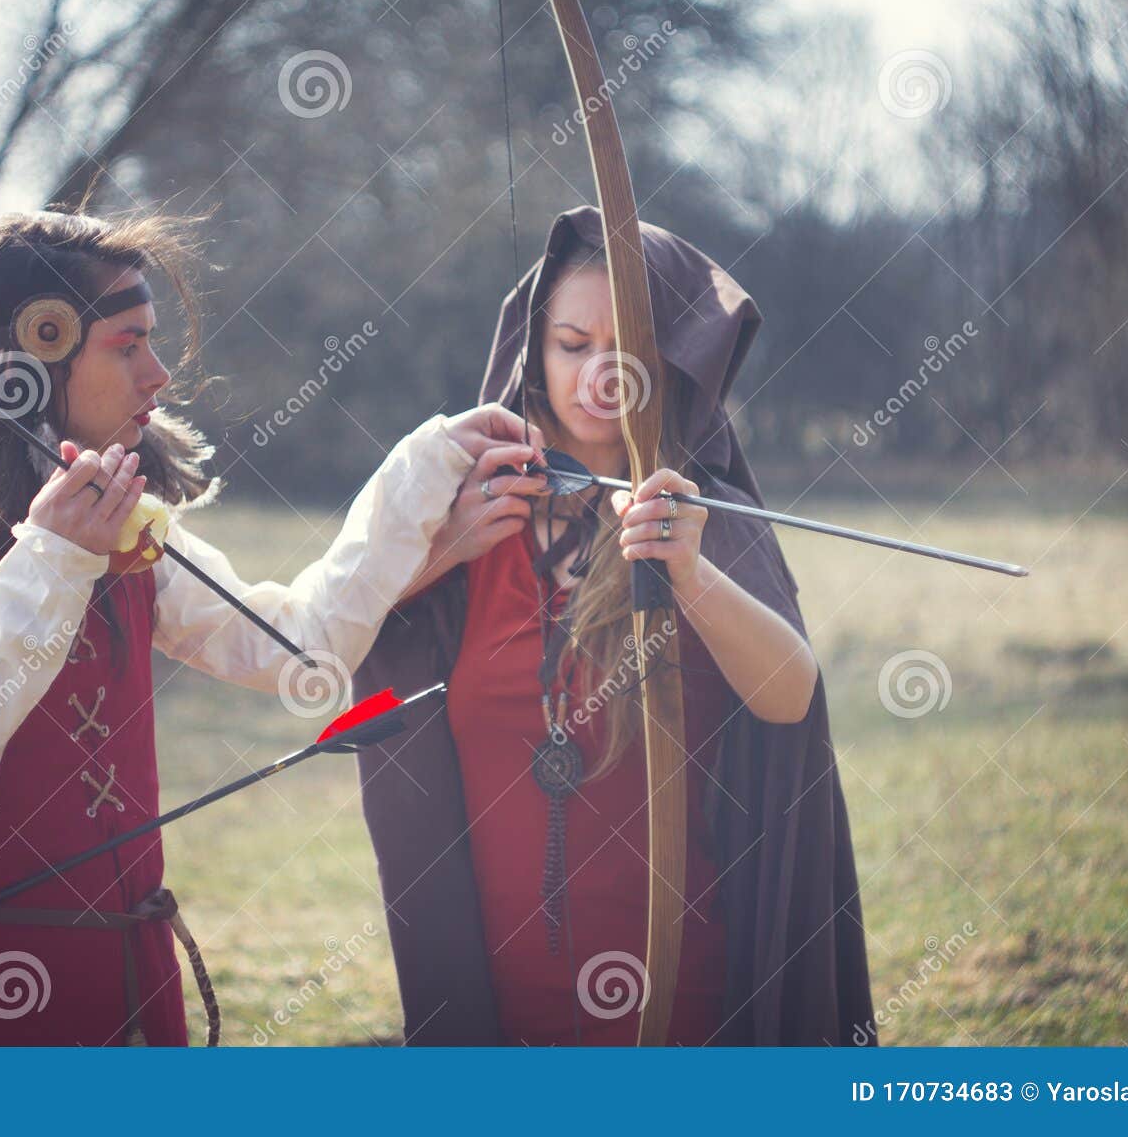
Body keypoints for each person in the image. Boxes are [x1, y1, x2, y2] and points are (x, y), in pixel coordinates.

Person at [0, 208, 541, 1046]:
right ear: (37, 351)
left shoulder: (129, 528)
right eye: (127, 345)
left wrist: (425, 463)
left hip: (137, 992)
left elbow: (299, 644)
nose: (158, 375)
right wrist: (51, 559)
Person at [355, 206, 874, 1045]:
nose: (602, 375)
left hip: (685, 1005)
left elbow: (791, 699)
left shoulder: (711, 517)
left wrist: (689, 572)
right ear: (534, 350)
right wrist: (436, 554)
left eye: (627, 350)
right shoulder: (467, 525)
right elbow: (352, 668)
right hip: (501, 1015)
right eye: (573, 344)